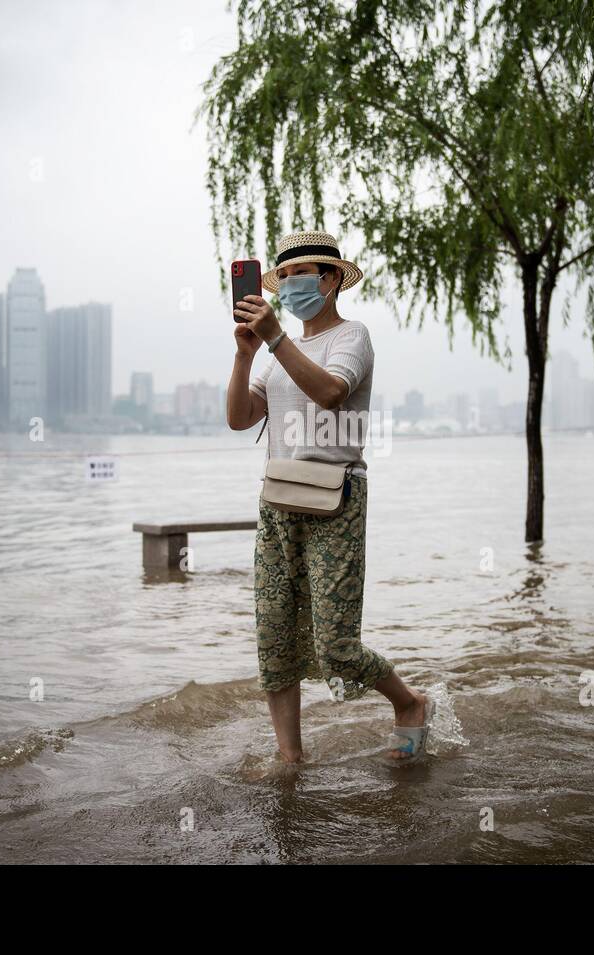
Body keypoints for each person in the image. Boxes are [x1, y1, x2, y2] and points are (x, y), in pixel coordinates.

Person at [226, 230, 431, 763]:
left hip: (336, 498)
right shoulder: (274, 353)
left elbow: (332, 393)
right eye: (284, 277)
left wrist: (275, 340)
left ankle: (409, 705)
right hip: (277, 502)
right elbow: (239, 418)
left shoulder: (352, 336)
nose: (291, 285)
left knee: (336, 646)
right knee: (274, 639)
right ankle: (290, 758)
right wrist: (246, 355)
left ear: (333, 279)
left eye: (302, 274)